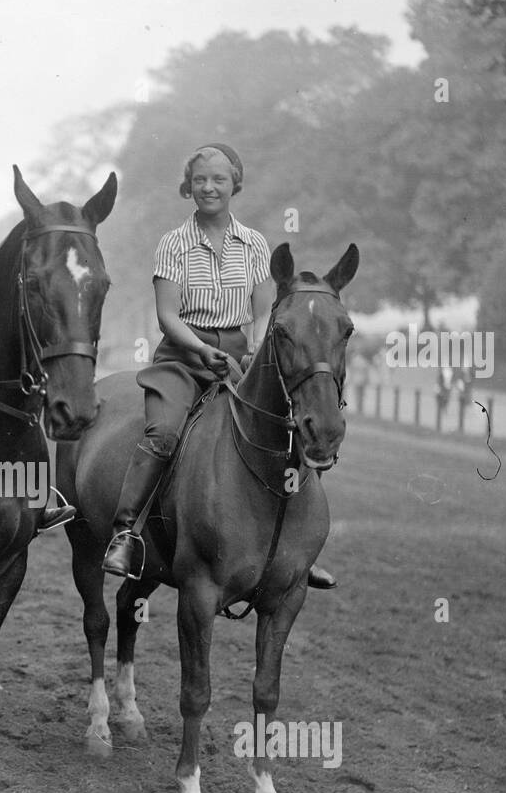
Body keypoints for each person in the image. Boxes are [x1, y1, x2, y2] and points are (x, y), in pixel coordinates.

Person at [102, 142, 337, 589]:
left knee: (284, 429)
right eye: (200, 180)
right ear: (188, 187)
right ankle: (126, 532)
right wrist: (200, 349)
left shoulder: (253, 244)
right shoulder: (174, 243)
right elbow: (167, 315)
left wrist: (253, 345)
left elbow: (266, 308)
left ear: (235, 185)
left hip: (239, 358)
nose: (209, 187)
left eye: (219, 179)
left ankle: (296, 553)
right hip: (183, 355)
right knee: (164, 432)